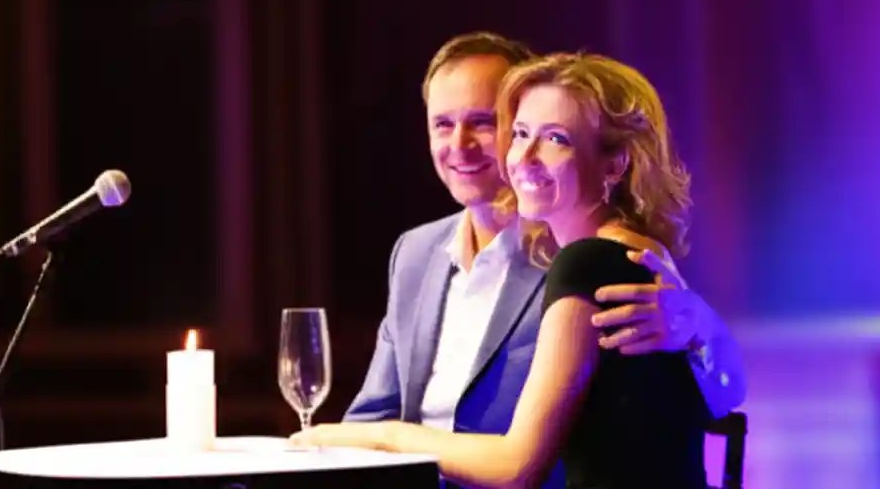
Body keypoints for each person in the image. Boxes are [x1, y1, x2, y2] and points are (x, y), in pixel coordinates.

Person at [293, 35, 745, 487]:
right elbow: (372, 413)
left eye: (485, 123)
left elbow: (717, 397)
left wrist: (704, 328)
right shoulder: (415, 252)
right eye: (443, 124)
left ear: (613, 165)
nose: (462, 144)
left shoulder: (583, 258)